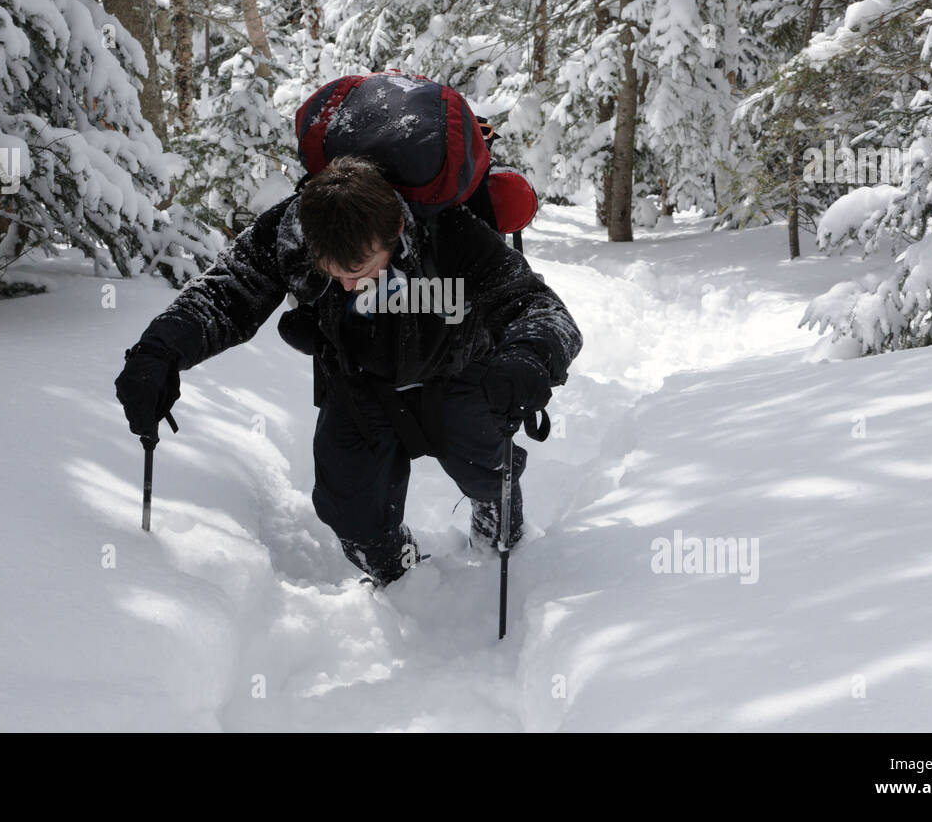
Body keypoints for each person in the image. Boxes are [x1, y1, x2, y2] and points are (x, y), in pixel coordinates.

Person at [115, 155, 582, 586]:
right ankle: (402, 581)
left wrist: (528, 358)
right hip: (358, 382)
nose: (346, 284)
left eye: (359, 268)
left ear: (397, 227)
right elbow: (226, 292)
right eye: (332, 271)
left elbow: (541, 309)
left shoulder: (453, 232)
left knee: (487, 473)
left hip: (458, 372)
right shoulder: (294, 229)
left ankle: (498, 531)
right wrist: (160, 352)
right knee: (352, 512)